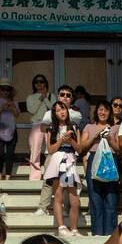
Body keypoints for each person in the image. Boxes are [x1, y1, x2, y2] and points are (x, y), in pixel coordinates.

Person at [79, 100, 121, 236]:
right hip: (94, 160)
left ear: (109, 113)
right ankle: (97, 232)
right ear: (96, 111)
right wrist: (95, 137)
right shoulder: (89, 127)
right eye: (101, 109)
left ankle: (110, 234)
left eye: (106, 110)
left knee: (111, 198)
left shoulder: (115, 128)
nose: (103, 113)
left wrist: (109, 139)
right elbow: (82, 147)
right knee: (95, 197)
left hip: (110, 161)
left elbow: (118, 149)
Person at [44, 101, 82, 236]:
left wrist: (70, 140)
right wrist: (61, 140)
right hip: (57, 160)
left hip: (70, 160)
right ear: (54, 114)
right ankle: (61, 227)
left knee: (74, 196)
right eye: (58, 110)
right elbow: (50, 150)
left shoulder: (74, 126)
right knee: (58, 194)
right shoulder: (51, 128)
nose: (62, 112)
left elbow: (79, 148)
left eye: (64, 109)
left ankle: (74, 228)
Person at [0, 79, 20, 178]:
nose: (6, 92)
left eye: (8, 90)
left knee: (10, 154)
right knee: (0, 154)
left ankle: (8, 175)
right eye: (3, 89)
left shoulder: (14, 102)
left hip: (12, 130)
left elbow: (17, 115)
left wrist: (12, 106)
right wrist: (2, 107)